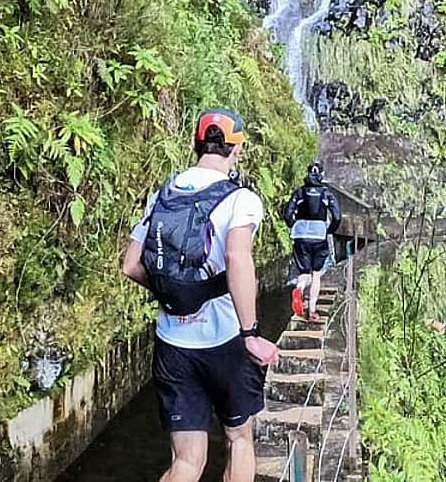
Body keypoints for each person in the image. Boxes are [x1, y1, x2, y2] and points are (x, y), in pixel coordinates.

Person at [121, 108, 279, 482]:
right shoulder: (240, 200)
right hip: (225, 340)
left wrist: (178, 297)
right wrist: (250, 333)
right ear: (235, 150)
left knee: (187, 461)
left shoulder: (163, 194)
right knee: (239, 440)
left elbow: (130, 265)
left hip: (173, 342)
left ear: (196, 143)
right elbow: (237, 256)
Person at [282, 162, 341, 322]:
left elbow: (287, 212)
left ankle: (299, 288)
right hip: (319, 235)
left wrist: (293, 224)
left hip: (301, 235)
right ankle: (312, 310)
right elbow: (337, 216)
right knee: (316, 274)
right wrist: (330, 230)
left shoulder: (299, 193)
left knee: (304, 273)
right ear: (321, 175)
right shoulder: (326, 194)